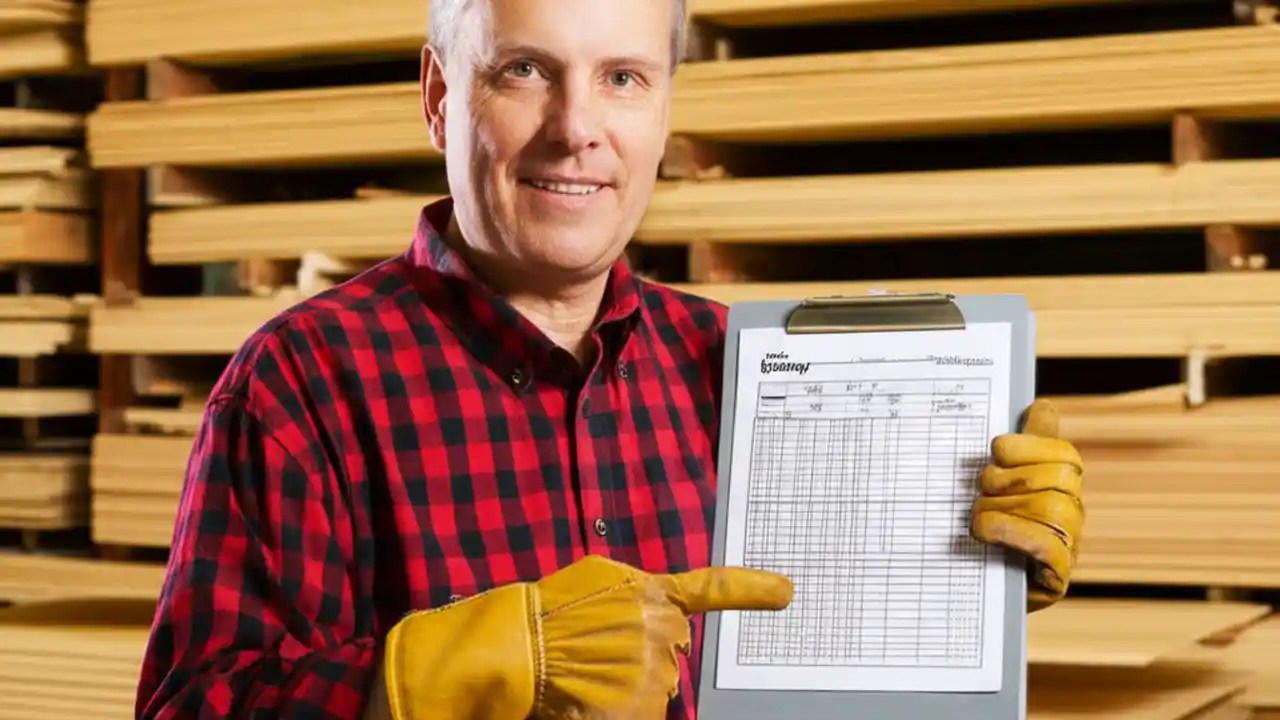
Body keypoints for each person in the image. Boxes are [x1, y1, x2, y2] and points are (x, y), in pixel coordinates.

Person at [134, 0, 1086, 717]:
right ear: (437, 97)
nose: (576, 128)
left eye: (623, 78)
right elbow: (191, 706)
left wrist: (962, 587)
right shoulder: (301, 382)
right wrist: (426, 680)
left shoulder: (736, 365)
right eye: (524, 71)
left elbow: (820, 667)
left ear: (665, 110)